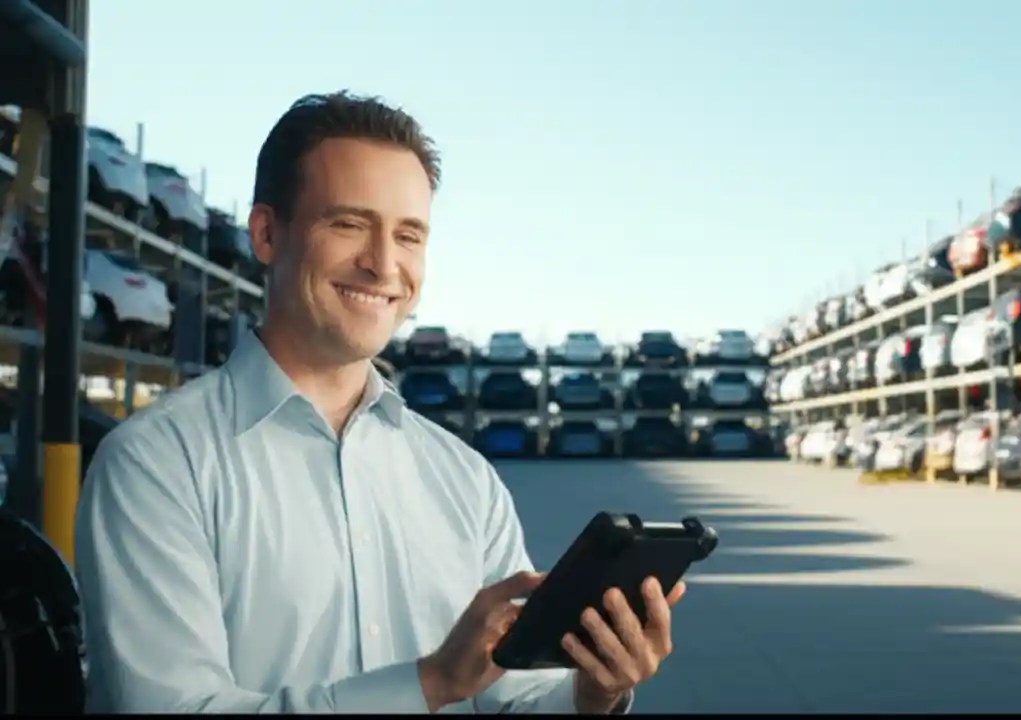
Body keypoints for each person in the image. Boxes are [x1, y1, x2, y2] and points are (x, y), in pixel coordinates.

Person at [74, 91, 685, 713]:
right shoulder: (156, 465)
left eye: (409, 235)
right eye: (349, 224)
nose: (383, 264)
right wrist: (429, 684)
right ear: (265, 233)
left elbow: (512, 698)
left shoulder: (465, 480)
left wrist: (592, 692)